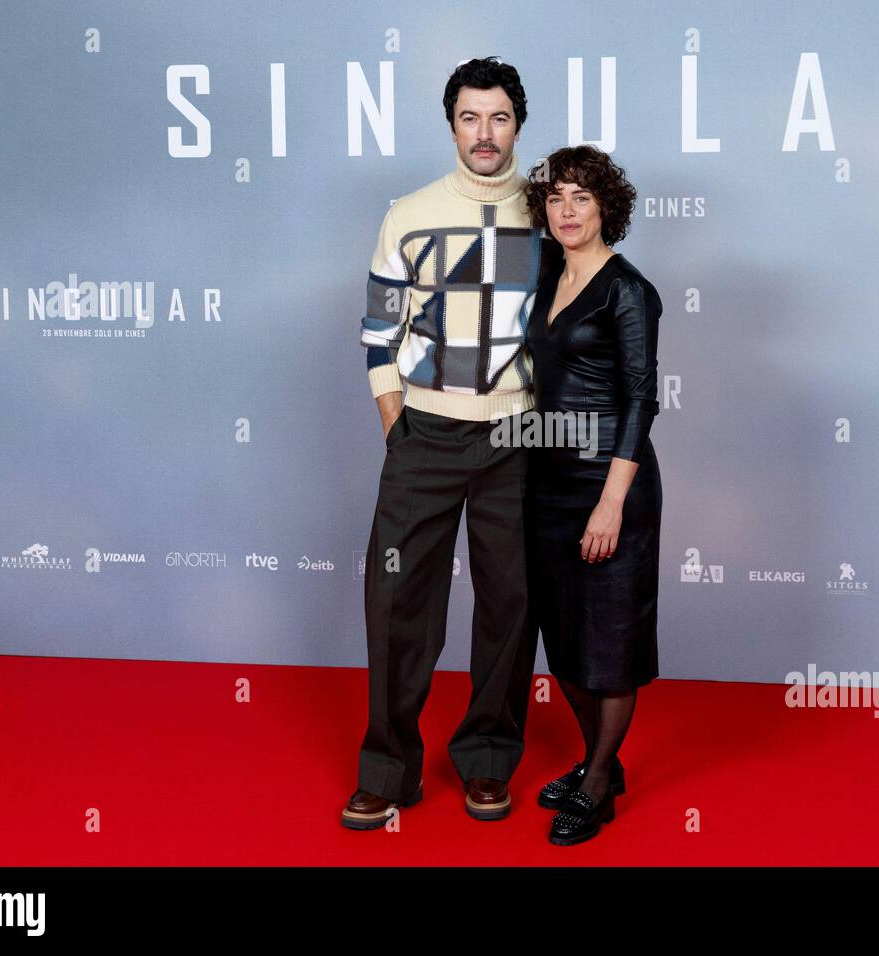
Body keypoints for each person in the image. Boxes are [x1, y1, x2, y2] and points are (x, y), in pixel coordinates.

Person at [342, 57, 545, 830]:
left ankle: (489, 760)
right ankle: (389, 771)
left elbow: (569, 327)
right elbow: (377, 330)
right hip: (423, 435)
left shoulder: (547, 214)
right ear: (451, 123)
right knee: (397, 603)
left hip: (518, 437)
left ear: (517, 123)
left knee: (509, 604)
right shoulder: (410, 213)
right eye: (469, 117)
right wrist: (398, 424)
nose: (484, 133)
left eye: (498, 117)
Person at [522, 144, 663, 845]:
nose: (568, 210)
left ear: (607, 206)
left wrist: (610, 502)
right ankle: (598, 760)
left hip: (611, 481)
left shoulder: (627, 290)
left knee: (607, 639)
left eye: (582, 197)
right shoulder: (547, 270)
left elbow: (640, 401)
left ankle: (600, 783)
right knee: (563, 636)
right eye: (556, 198)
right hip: (546, 478)